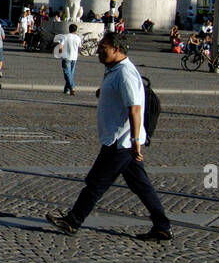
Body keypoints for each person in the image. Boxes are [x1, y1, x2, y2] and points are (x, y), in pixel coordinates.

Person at [46, 32, 171, 241]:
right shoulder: (114, 70)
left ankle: (72, 221)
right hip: (121, 141)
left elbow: (135, 109)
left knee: (96, 183)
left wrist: (134, 142)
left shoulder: (125, 73)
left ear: (116, 49)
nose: (98, 52)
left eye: (102, 49)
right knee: (141, 185)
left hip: (120, 142)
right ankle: (162, 226)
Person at [54, 23, 82, 95]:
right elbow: (79, 48)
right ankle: (66, 89)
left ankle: (72, 87)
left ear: (69, 29)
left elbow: (61, 45)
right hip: (74, 57)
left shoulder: (65, 36)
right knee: (70, 73)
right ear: (76, 30)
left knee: (67, 73)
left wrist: (60, 52)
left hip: (66, 56)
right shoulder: (78, 38)